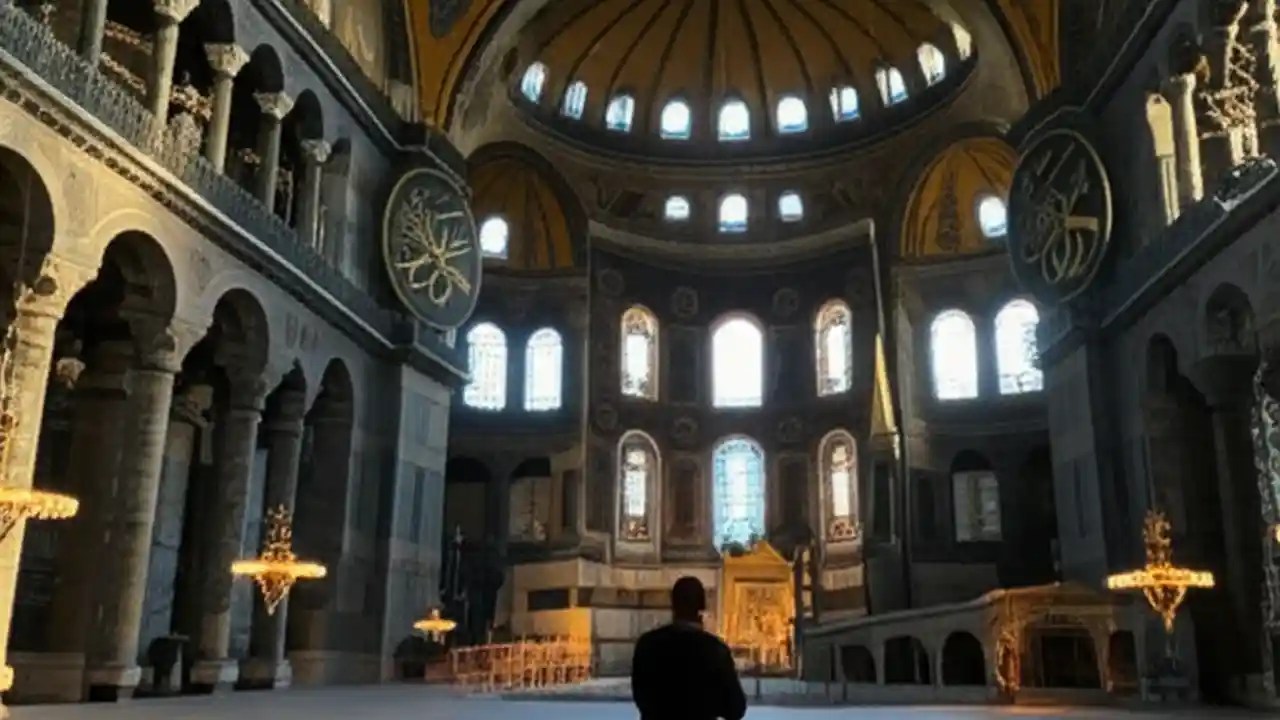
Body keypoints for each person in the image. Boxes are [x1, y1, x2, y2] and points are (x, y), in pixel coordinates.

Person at [631, 576, 747, 720]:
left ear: (673, 604)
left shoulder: (648, 644)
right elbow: (735, 709)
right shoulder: (715, 650)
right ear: (701, 607)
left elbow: (641, 697)